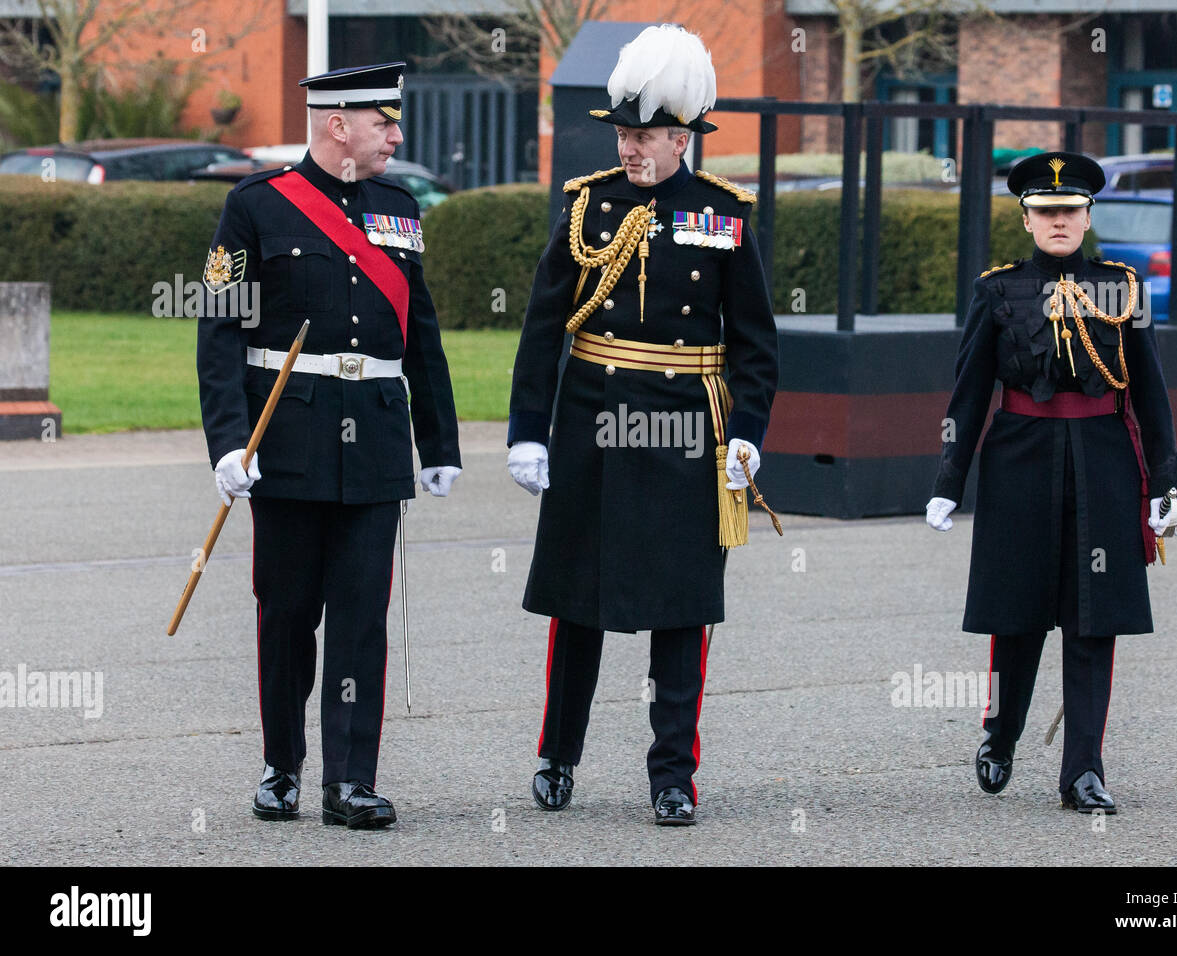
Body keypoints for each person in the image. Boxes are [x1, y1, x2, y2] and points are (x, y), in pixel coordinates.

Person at [507, 24, 779, 826]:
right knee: (577, 602)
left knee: (681, 607)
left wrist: (747, 431)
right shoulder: (588, 207)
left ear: (682, 136)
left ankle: (672, 774)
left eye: (646, 136)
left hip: (688, 426)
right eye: (623, 134)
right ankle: (558, 754)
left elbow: (756, 344)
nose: (631, 149)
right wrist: (529, 429)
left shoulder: (723, 216)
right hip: (594, 421)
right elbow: (541, 326)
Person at [196, 62, 461, 829]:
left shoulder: (398, 207)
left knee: (360, 617)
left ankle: (350, 781)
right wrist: (228, 443)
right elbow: (220, 334)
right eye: (385, 122)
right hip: (287, 441)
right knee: (285, 614)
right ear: (338, 124)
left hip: (376, 435)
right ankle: (282, 765)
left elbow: (424, 333)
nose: (397, 135)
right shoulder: (256, 207)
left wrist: (437, 441)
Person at [925, 151, 1177, 814]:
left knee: (1094, 622)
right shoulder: (997, 289)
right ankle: (1001, 734)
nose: (1059, 221)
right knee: (1016, 614)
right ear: (1027, 219)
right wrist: (948, 479)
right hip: (1020, 457)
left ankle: (1083, 772)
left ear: (1089, 216)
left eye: (1070, 211)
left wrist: (1164, 481)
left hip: (1103, 461)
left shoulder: (1123, 288)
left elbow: (1150, 393)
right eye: (1046, 211)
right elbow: (969, 390)